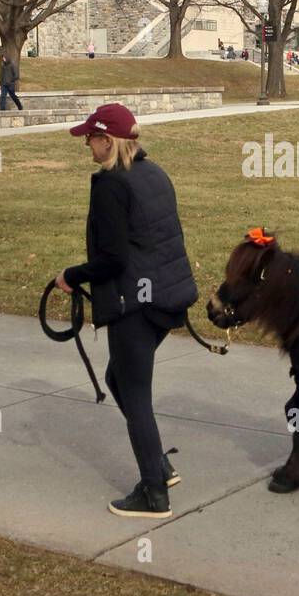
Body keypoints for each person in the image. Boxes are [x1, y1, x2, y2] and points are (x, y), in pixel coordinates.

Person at [55, 103, 198, 520]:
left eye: (91, 138)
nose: (87, 145)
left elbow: (113, 258)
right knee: (117, 377)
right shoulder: (154, 173)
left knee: (135, 396)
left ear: (107, 140)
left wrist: (71, 275)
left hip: (134, 303)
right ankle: (160, 466)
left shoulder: (112, 186)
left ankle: (154, 495)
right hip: (166, 298)